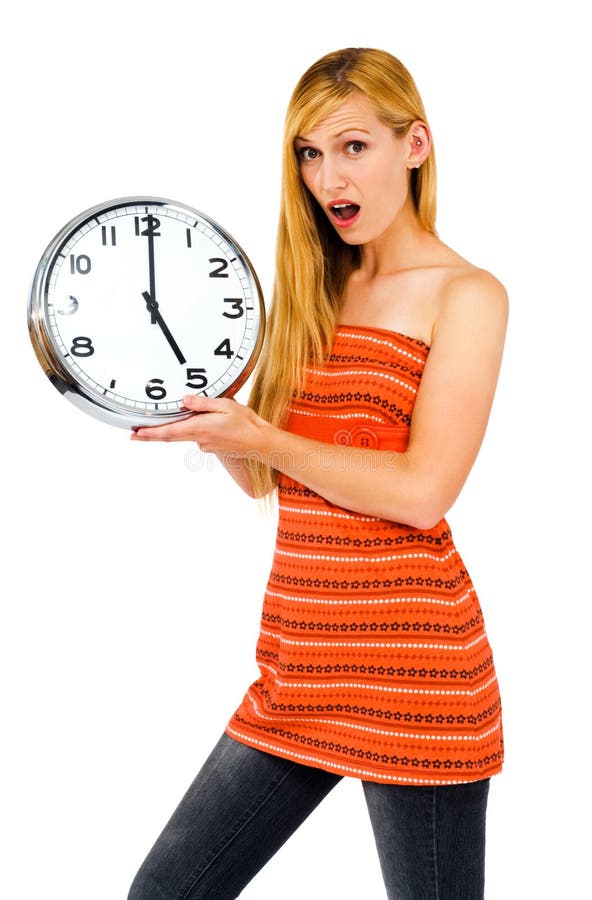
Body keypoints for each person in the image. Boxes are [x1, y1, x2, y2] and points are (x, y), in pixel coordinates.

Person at [127, 47, 508, 900]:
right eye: (308, 152)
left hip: (418, 676)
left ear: (415, 145)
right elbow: (266, 482)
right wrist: (220, 424)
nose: (327, 174)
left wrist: (266, 436)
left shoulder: (467, 295)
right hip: (299, 669)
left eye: (352, 146)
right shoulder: (309, 292)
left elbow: (422, 492)